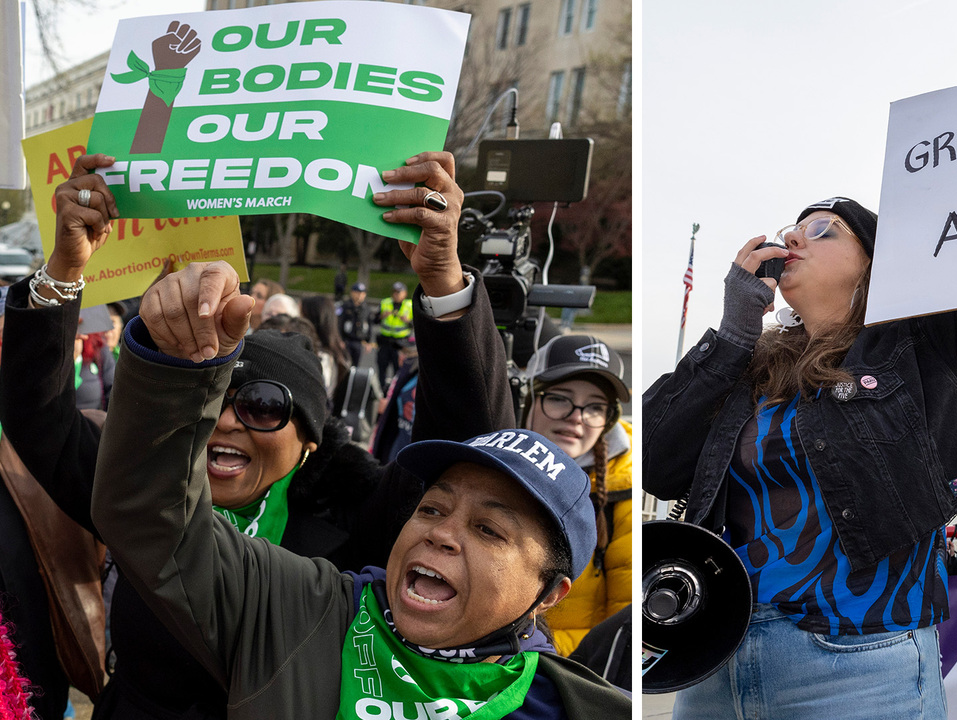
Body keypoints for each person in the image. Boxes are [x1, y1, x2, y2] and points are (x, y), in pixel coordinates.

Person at [88, 157, 628, 719]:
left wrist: (445, 282)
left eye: (489, 529)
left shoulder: (577, 706)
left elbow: (473, 432)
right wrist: (176, 371)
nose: (441, 534)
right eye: (431, 509)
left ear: (550, 595)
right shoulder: (303, 608)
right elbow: (148, 515)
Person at [0, 152, 516, 720]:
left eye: (263, 406)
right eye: (215, 401)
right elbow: (38, 415)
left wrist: (443, 282)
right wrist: (65, 270)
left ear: (311, 441)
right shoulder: (141, 485)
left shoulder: (356, 514)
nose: (226, 422)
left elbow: (469, 452)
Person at [643, 196, 957, 719]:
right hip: (718, 660)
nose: (793, 239)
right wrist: (733, 335)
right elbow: (656, 459)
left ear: (876, 265)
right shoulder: (747, 368)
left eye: (825, 231)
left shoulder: (919, 350)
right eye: (793, 229)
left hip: (860, 663)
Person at [521, 335, 632, 657]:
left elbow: (625, 634)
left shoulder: (622, 488)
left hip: (573, 678)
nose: (577, 416)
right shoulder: (484, 461)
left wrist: (534, 657)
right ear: (530, 397)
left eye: (595, 407)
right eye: (560, 398)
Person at [301, 294, 353, 400]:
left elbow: (318, 397)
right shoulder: (332, 351)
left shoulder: (322, 357)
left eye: (300, 316)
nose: (295, 322)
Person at [377, 280, 414, 386]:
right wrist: (382, 316)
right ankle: (382, 390)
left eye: (399, 292)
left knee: (398, 369)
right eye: (394, 292)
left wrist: (407, 321)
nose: (396, 295)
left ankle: (394, 390)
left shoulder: (410, 305)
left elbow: (416, 324)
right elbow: (374, 320)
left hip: (400, 343)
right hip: (385, 341)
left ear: (404, 293)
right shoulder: (385, 303)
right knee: (382, 366)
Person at [337, 281, 376, 365]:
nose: (359, 296)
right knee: (344, 364)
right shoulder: (345, 306)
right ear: (352, 293)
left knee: (355, 365)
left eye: (362, 293)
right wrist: (340, 340)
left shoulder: (366, 309)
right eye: (357, 293)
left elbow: (369, 325)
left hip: (358, 341)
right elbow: (339, 324)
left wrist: (369, 342)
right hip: (347, 340)